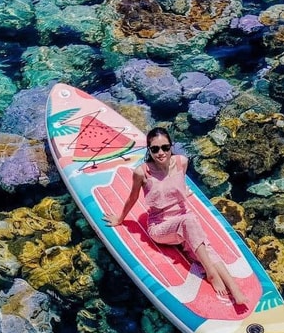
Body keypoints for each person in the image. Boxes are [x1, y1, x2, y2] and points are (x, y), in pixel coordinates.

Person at [104, 127, 248, 306]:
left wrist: (181, 194)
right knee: (190, 222)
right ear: (148, 150)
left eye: (165, 147)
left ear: (171, 146)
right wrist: (120, 219)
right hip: (160, 227)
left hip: (184, 220)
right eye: (155, 149)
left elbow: (177, 183)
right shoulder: (142, 172)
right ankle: (211, 273)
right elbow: (132, 197)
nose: (161, 152)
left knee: (205, 246)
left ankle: (234, 287)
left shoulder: (182, 162)